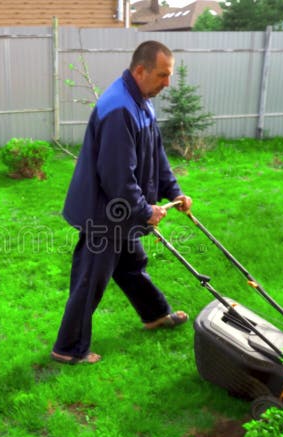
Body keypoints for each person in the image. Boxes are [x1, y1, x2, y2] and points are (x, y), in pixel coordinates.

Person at [51, 41, 193, 365]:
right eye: (162, 75)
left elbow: (156, 155)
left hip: (121, 211)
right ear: (140, 70)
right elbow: (117, 176)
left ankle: (155, 315)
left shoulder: (142, 102)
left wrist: (174, 192)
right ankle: (68, 348)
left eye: (169, 75)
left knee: (131, 265)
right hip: (103, 213)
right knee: (91, 279)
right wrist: (144, 211)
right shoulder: (119, 109)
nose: (168, 83)